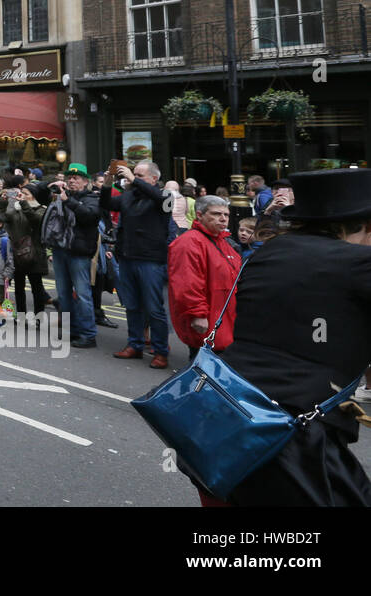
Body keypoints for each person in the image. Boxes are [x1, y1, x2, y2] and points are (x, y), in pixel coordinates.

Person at [209, 169, 371, 506]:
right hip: (294, 433)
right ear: (364, 226)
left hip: (228, 417)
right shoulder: (357, 262)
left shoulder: (269, 251)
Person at [101, 161, 172, 369]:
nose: (134, 178)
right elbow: (107, 205)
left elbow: (159, 199)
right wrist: (107, 184)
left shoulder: (165, 196)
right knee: (132, 305)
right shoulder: (130, 196)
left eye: (140, 175)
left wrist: (133, 180)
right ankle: (135, 344)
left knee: (154, 308)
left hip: (150, 259)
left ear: (154, 179)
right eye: (135, 175)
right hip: (128, 256)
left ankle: (161, 351)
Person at [168, 194, 241, 361]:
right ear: (199, 215)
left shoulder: (223, 242)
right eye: (216, 214)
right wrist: (197, 314)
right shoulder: (189, 242)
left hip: (224, 320)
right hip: (208, 321)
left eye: (226, 215)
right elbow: (187, 283)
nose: (223, 219)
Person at [42, 163, 102, 348]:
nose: (72, 180)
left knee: (83, 294)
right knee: (63, 294)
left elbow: (90, 216)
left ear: (86, 182)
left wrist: (69, 200)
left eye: (76, 178)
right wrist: (51, 187)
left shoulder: (92, 198)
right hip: (60, 250)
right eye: (69, 178)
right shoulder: (61, 195)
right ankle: (72, 330)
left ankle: (88, 334)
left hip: (79, 253)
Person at [1, 181, 54, 315]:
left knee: (37, 288)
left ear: (34, 196)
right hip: (17, 254)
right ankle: (21, 315)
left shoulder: (41, 209)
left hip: (34, 254)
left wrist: (24, 204)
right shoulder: (16, 209)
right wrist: (3, 203)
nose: (22, 195)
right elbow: (1, 218)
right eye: (21, 193)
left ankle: (39, 317)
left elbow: (35, 220)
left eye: (26, 194)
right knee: (19, 288)